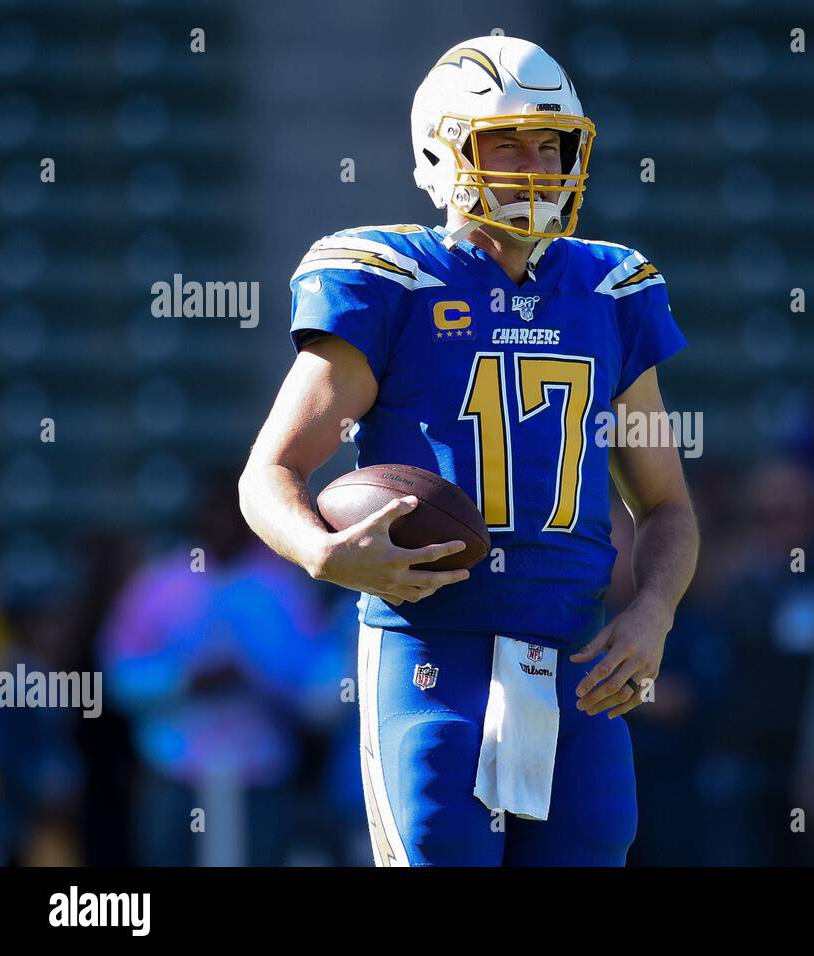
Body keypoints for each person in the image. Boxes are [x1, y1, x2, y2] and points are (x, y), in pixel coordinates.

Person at [238, 35, 699, 866]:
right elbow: (269, 472)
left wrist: (653, 613)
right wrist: (323, 553)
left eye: (550, 144)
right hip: (430, 651)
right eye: (506, 142)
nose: (535, 165)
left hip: (574, 658)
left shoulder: (609, 290)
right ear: (440, 153)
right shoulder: (390, 280)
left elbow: (666, 505)